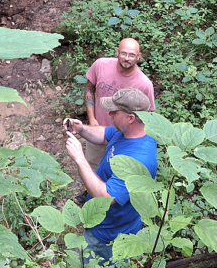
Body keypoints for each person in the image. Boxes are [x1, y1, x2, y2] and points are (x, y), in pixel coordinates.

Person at [65, 88, 157, 265]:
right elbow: (104, 135)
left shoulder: (138, 158)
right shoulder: (129, 131)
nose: (110, 114)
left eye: (115, 112)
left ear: (130, 118)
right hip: (104, 219)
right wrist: (82, 128)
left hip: (108, 231)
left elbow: (106, 197)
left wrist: (79, 158)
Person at [83, 38, 156, 170]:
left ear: (138, 57)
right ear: (117, 52)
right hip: (98, 129)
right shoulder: (100, 66)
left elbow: (148, 118)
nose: (127, 58)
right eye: (124, 53)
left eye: (132, 55)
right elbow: (89, 88)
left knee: (116, 171)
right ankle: (89, 191)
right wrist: (92, 119)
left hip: (124, 136)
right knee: (91, 166)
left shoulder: (144, 84)